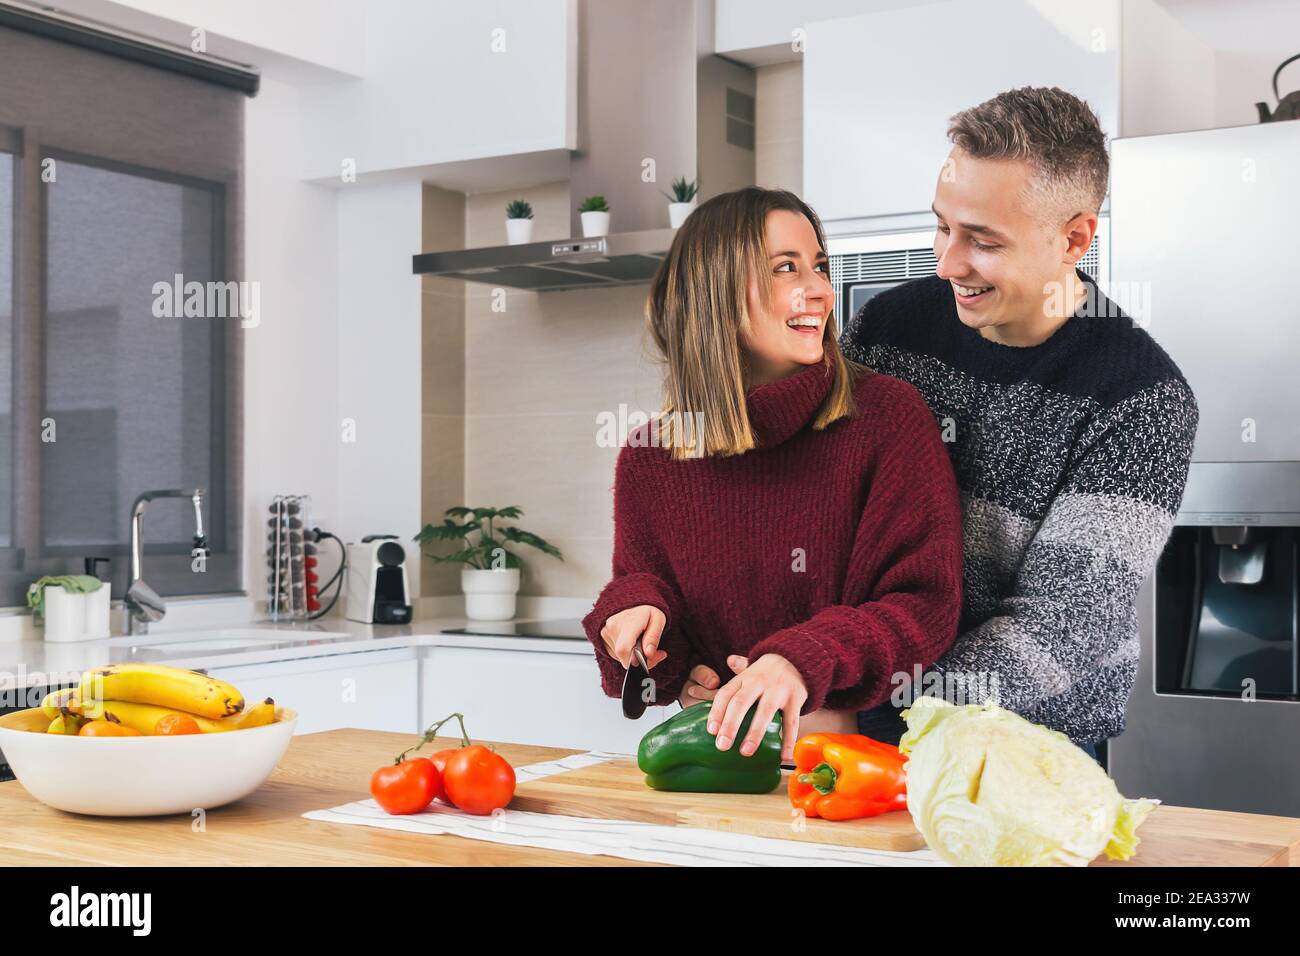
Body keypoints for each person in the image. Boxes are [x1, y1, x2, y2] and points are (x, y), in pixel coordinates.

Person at [842, 87, 1198, 763]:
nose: (947, 263)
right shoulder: (887, 330)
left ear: (1074, 238)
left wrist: (872, 711)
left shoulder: (1141, 399)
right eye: (943, 226)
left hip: (1028, 746)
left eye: (982, 241)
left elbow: (1062, 627)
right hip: (852, 711)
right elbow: (816, 513)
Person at [581, 186, 963, 762]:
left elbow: (923, 603)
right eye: (786, 268)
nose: (818, 290)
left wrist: (801, 658)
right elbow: (647, 595)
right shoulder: (650, 456)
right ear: (716, 294)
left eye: (819, 266)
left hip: (850, 771)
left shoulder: (887, 418)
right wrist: (636, 618)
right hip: (710, 768)